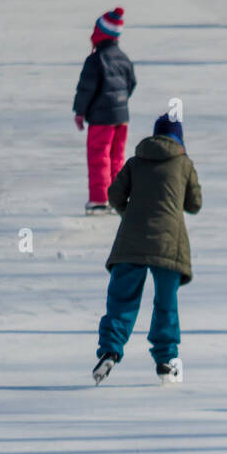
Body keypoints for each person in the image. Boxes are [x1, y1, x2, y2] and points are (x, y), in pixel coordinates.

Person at [93, 114, 202, 385]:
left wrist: (131, 214)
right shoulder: (184, 163)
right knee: (166, 304)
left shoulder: (135, 162)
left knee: (121, 299)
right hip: (168, 243)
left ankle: (110, 349)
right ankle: (166, 359)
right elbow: (195, 203)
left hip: (131, 241)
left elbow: (114, 195)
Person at [72, 7, 136, 214]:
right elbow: (131, 83)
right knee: (117, 156)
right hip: (122, 117)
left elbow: (86, 89)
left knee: (99, 155)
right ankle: (118, 198)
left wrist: (80, 112)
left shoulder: (95, 60)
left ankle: (100, 200)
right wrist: (120, 102)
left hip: (101, 118)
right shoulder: (124, 58)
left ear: (99, 34)